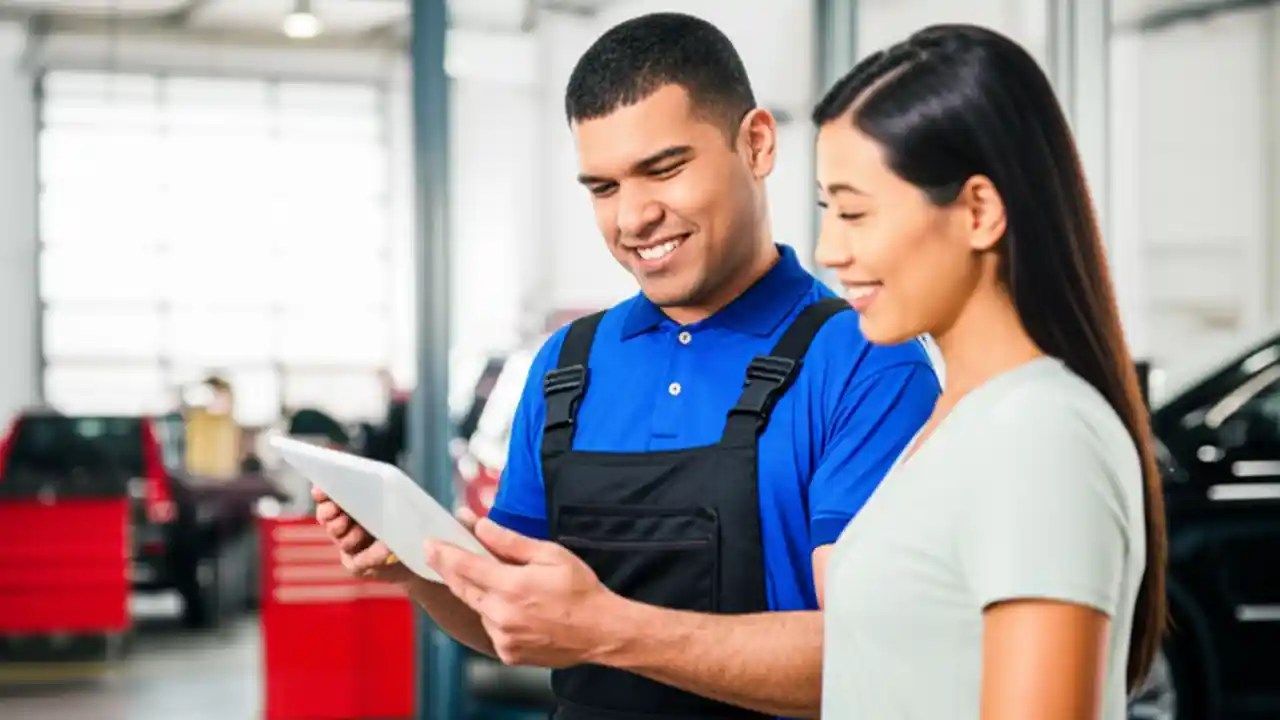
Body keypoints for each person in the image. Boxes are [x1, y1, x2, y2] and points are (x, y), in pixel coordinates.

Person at [314, 11, 938, 720]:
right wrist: (418, 571)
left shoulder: (865, 361)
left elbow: (878, 661)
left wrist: (606, 628)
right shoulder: (566, 367)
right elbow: (520, 624)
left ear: (757, 144)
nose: (633, 217)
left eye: (664, 169)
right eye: (603, 188)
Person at [811, 24, 1167, 720]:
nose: (830, 248)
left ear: (978, 211)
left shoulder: (1040, 434)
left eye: (854, 212)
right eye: (830, 211)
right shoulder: (960, 420)